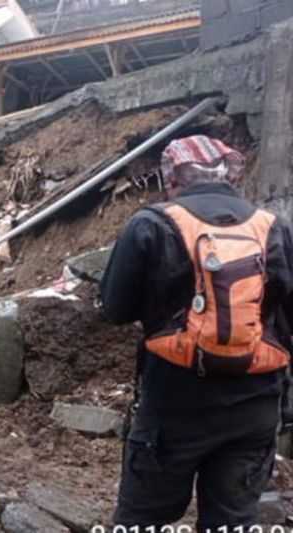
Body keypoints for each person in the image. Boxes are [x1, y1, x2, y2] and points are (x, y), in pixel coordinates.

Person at [100, 135, 293, 531]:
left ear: (173, 179)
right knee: (234, 521)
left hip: (173, 405)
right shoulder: (275, 228)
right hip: (255, 406)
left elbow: (115, 310)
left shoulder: (150, 224)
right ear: (230, 175)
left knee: (144, 519)